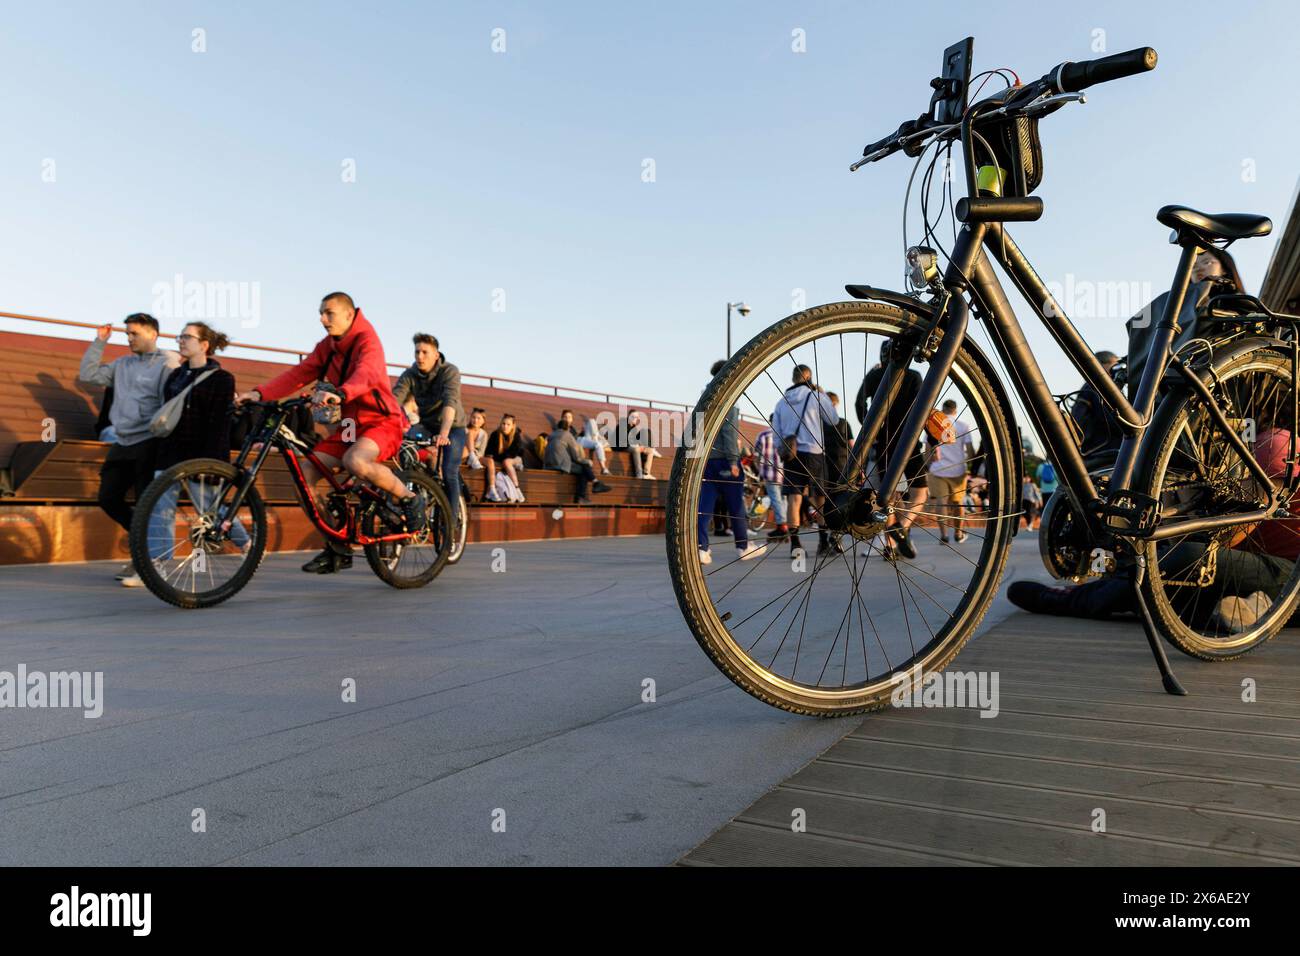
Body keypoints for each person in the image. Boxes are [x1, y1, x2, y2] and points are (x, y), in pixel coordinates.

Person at [1009, 428, 1300, 632]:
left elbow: (1231, 535)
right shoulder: (1271, 441)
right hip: (1252, 570)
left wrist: (1255, 498)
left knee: (1189, 556)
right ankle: (1234, 611)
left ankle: (1082, 599)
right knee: (1180, 582)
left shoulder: (1281, 448)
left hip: (1290, 575)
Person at [235, 292, 419, 574]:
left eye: (328, 313)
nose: (322, 319)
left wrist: (342, 393)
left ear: (349, 314)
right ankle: (337, 546)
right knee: (304, 476)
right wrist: (259, 392)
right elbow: (300, 373)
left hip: (381, 422)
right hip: (348, 426)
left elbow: (367, 374)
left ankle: (409, 499)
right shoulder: (328, 346)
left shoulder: (368, 341)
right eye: (320, 313)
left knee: (356, 461)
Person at [136, 322, 248, 586]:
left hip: (202, 453)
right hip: (171, 452)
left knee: (210, 508)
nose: (181, 341)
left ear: (204, 345)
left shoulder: (222, 379)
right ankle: (158, 566)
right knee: (160, 508)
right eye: (180, 336)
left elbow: (218, 424)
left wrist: (214, 463)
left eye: (187, 337)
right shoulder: (176, 376)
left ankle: (247, 544)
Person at [78, 313, 181, 581]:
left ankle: (147, 562)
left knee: (148, 502)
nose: (129, 338)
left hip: (150, 442)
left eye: (134, 333)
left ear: (153, 334)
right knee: (108, 498)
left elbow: (170, 403)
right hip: (123, 442)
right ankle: (141, 544)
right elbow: (88, 375)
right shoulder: (122, 364)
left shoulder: (167, 362)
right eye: (127, 334)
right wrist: (100, 341)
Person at [855, 340, 929, 560]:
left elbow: (859, 403)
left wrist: (871, 427)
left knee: (889, 497)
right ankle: (902, 528)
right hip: (909, 441)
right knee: (919, 494)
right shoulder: (914, 376)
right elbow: (921, 407)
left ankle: (890, 540)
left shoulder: (875, 376)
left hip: (884, 442)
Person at [393, 333, 466, 538]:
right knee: (405, 450)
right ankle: (420, 489)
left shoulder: (449, 371)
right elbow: (394, 400)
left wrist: (443, 434)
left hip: (452, 427)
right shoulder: (410, 374)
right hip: (426, 425)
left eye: (425, 352)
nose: (420, 356)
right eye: (417, 352)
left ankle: (450, 524)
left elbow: (450, 403)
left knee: (449, 471)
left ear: (436, 355)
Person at [772, 363, 838, 559]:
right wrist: (823, 394)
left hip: (791, 455)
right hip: (814, 453)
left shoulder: (781, 402)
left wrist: (781, 450)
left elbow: (777, 434)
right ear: (808, 376)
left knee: (794, 498)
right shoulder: (815, 396)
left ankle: (796, 546)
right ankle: (823, 542)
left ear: (793, 379)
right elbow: (833, 420)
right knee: (820, 499)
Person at [698, 361, 761, 564]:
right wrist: (734, 461)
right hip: (726, 461)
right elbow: (729, 433)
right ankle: (743, 547)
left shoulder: (704, 399)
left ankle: (702, 548)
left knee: (705, 506)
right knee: (736, 507)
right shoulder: (727, 399)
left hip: (708, 461)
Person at [926, 399, 976, 544]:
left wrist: (927, 465)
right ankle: (958, 534)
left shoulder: (934, 422)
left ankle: (944, 535)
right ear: (955, 409)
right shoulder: (963, 425)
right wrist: (970, 465)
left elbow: (928, 448)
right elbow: (970, 450)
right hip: (958, 470)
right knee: (958, 503)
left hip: (937, 469)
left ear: (943, 408)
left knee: (941, 502)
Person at [1069, 350, 1125, 465]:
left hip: (1091, 452)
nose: (1118, 371)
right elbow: (1116, 422)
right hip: (1107, 452)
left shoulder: (1087, 387)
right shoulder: (1100, 388)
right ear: (1102, 366)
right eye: (1115, 366)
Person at [545, 420, 611, 504]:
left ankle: (595, 484)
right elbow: (576, 457)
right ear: (567, 428)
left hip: (548, 465)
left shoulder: (551, 436)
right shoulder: (567, 435)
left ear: (558, 427)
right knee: (585, 467)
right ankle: (583, 495)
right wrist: (587, 461)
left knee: (583, 467)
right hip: (560, 465)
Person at [754, 416, 789, 540]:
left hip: (769, 473)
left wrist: (760, 470)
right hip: (785, 474)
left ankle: (782, 526)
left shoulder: (762, 435)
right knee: (783, 500)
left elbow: (756, 456)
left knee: (776, 500)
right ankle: (785, 525)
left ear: (770, 421)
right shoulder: (786, 435)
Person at [484, 413, 526, 500]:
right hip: (502, 459)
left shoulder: (516, 435)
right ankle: (492, 491)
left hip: (516, 458)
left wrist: (499, 457)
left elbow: (513, 453)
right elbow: (489, 451)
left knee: (506, 462)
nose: (505, 426)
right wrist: (494, 457)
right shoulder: (495, 434)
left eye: (508, 424)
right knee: (498, 463)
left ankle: (517, 489)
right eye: (503, 424)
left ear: (513, 426)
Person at [823, 392, 856, 488]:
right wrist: (860, 470)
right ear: (835, 404)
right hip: (843, 466)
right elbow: (853, 447)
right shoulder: (844, 423)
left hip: (825, 467)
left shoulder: (820, 423)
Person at [616, 409, 660, 479]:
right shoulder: (623, 424)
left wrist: (642, 446)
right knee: (636, 449)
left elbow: (635, 439)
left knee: (650, 450)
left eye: (636, 417)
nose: (635, 418)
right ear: (629, 416)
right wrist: (637, 446)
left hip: (631, 446)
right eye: (633, 416)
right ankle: (639, 474)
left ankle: (646, 473)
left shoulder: (633, 427)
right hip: (622, 447)